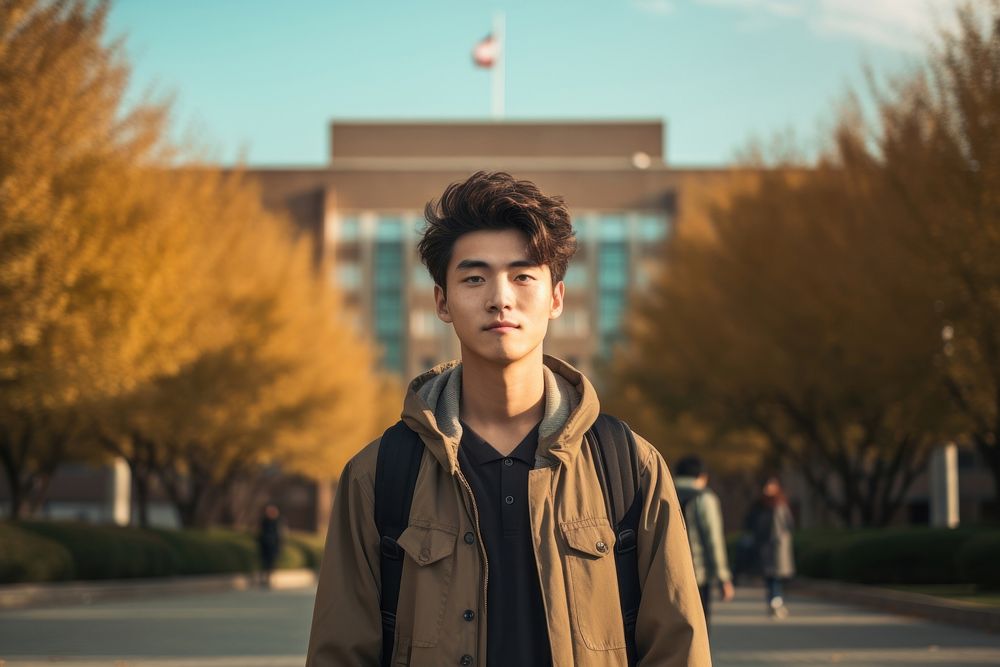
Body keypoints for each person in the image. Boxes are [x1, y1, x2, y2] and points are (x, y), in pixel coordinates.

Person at [306, 172, 711, 666]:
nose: (500, 298)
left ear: (556, 298)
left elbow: (678, 650)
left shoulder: (630, 466)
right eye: (474, 278)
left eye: (523, 276)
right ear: (442, 301)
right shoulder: (378, 475)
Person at [673, 455, 735, 629]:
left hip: (666, 572)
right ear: (702, 477)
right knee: (699, 627)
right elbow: (713, 540)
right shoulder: (705, 498)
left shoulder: (662, 493)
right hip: (698, 575)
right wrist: (723, 578)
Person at [744, 476, 795, 619]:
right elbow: (750, 524)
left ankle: (776, 601)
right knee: (769, 576)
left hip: (779, 546)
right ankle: (775, 601)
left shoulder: (780, 504)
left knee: (776, 576)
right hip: (764, 546)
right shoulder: (758, 506)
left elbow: (788, 524)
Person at [257, 503, 283, 589]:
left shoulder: (277, 522)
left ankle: (270, 579)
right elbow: (260, 534)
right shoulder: (264, 521)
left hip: (273, 546)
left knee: (271, 564)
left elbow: (279, 535)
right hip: (265, 546)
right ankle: (264, 579)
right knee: (264, 563)